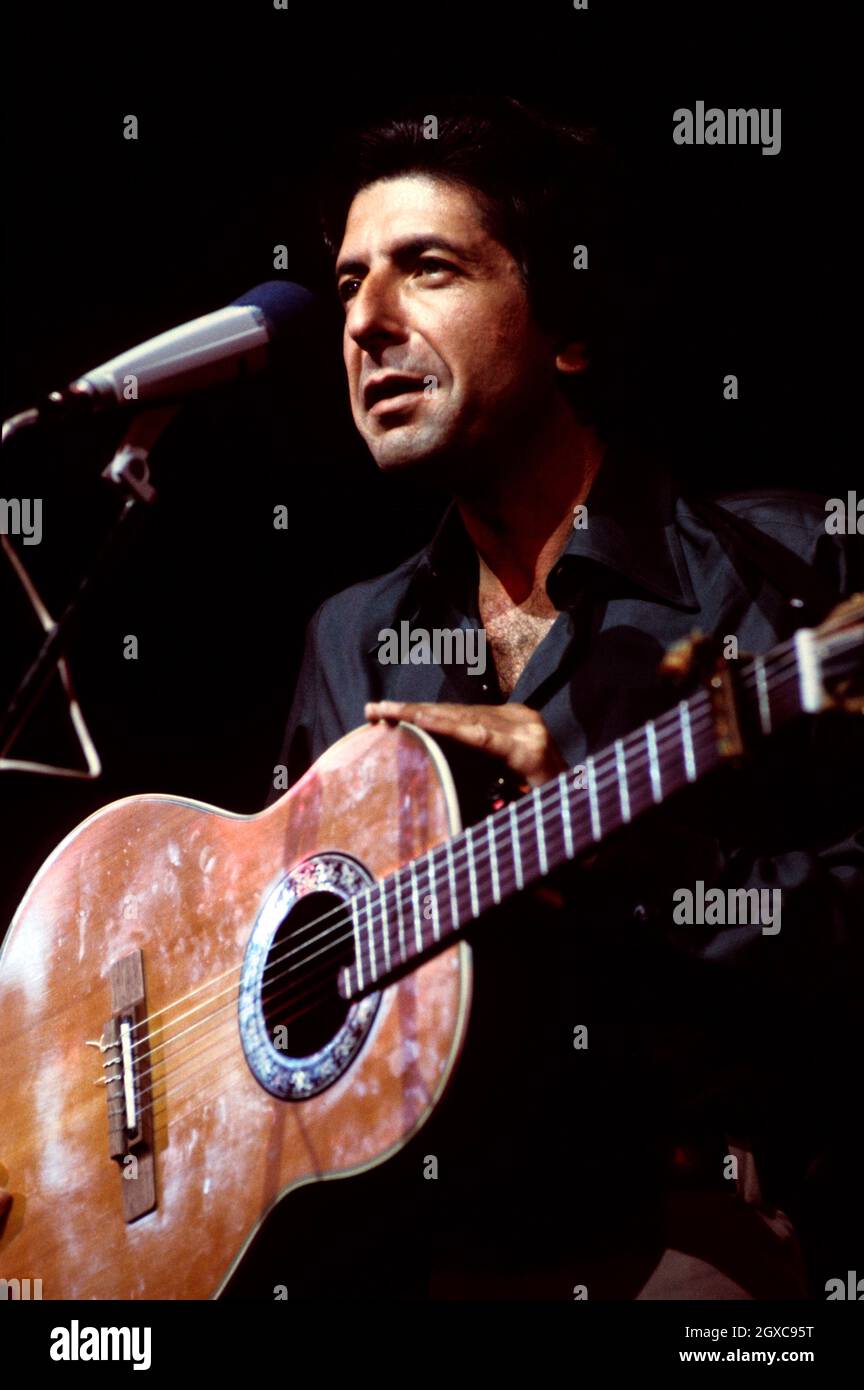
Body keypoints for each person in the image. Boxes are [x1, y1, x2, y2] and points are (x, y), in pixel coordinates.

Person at [257, 97, 863, 1299]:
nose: (369, 321)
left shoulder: (783, 572)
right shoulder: (349, 638)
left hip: (686, 1235)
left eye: (427, 270)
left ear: (570, 331)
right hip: (413, 1261)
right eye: (346, 286)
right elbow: (274, 982)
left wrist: (640, 869)